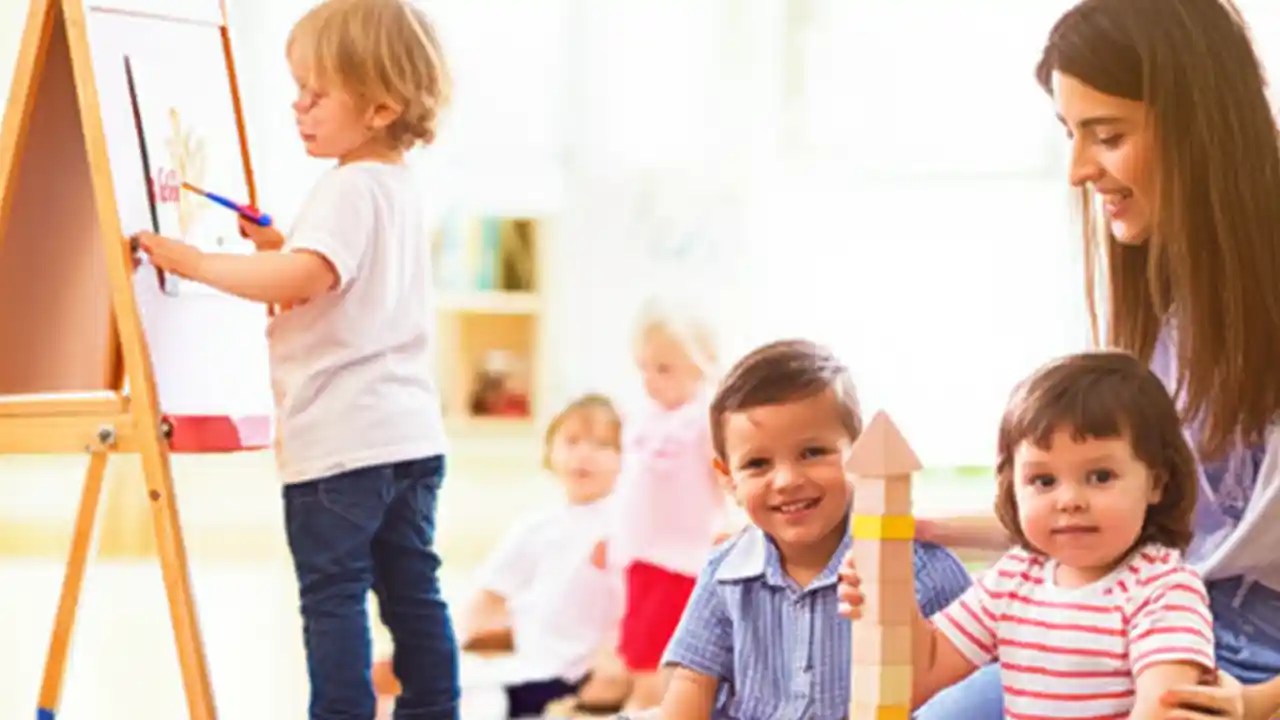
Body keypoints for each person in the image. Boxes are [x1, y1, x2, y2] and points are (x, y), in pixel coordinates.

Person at [910, 1, 1280, 717]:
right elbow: (1117, 501)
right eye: (1071, 135)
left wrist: (1259, 704)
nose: (1079, 170)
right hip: (1148, 620)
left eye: (1106, 136)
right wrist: (921, 527)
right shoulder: (1170, 314)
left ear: (1199, 129)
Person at [134, 1, 457, 717]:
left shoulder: (346, 187)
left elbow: (305, 281)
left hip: (342, 446)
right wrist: (274, 245)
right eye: (297, 89)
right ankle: (434, 709)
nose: (298, 106)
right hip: (409, 439)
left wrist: (195, 261)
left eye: (316, 93)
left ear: (380, 107)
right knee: (413, 589)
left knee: (332, 596)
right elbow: (340, 288)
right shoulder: (396, 186)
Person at [840, 351, 1216, 717]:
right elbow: (920, 677)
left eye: (1100, 476)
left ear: (1156, 483)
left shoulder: (1163, 588)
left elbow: (1164, 708)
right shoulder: (1014, 578)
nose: (1069, 500)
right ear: (1013, 487)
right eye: (1043, 480)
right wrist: (890, 593)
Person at [655, 339, 977, 720]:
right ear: (728, 480)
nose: (788, 480)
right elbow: (692, 681)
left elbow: (970, 687)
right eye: (758, 463)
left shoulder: (918, 567)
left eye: (812, 453)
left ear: (857, 455)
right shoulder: (725, 572)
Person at [597, 299, 731, 711]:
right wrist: (611, 536)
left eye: (664, 369)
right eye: (644, 369)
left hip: (681, 559)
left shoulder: (704, 419)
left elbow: (727, 477)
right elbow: (629, 490)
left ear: (699, 365)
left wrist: (730, 523)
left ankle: (653, 707)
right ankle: (643, 704)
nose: (650, 380)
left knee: (668, 657)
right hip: (640, 555)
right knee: (637, 648)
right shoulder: (643, 419)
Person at [459, 394, 626, 718]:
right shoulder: (537, 526)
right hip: (530, 665)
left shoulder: (625, 524)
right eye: (572, 441)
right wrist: (455, 641)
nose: (584, 454)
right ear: (550, 451)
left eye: (602, 445)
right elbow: (487, 594)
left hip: (583, 671)